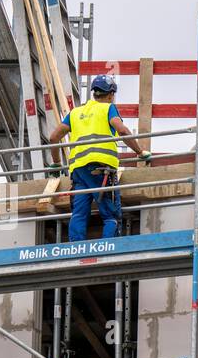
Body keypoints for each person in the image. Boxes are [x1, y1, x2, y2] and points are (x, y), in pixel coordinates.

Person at [48, 76, 151, 243]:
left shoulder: (75, 113)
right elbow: (123, 131)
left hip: (79, 171)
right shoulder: (108, 108)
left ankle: (75, 248)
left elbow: (53, 138)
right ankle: (107, 248)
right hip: (101, 170)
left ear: (94, 93)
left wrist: (56, 164)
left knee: (79, 213)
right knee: (110, 215)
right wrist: (140, 152)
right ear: (110, 95)